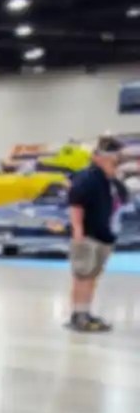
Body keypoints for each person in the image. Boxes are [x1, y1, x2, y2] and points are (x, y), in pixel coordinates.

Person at [67, 136, 128, 332]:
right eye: (111, 156)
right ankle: (79, 315)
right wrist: (78, 231)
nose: (116, 159)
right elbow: (76, 204)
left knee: (91, 276)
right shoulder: (87, 178)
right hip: (88, 235)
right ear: (98, 157)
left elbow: (122, 199)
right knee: (83, 276)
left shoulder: (110, 180)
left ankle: (85, 312)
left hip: (104, 235)